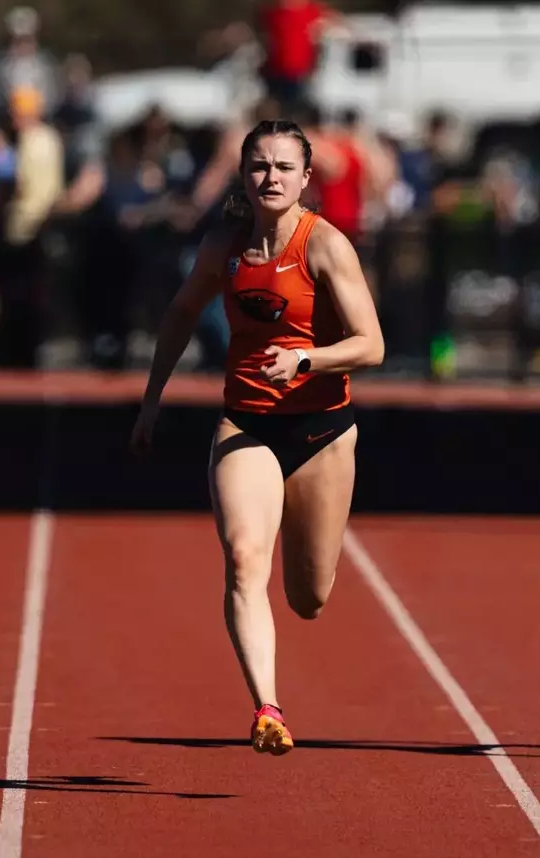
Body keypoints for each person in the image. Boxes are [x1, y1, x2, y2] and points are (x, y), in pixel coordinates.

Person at [130, 118, 384, 754]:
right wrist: (152, 398)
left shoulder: (325, 246)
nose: (271, 177)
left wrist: (308, 360)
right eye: (259, 166)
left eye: (283, 167)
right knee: (245, 558)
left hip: (322, 430)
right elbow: (183, 311)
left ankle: (297, 615)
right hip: (245, 423)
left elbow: (372, 345)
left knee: (309, 597)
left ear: (305, 178)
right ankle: (268, 708)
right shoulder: (225, 245)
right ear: (245, 176)